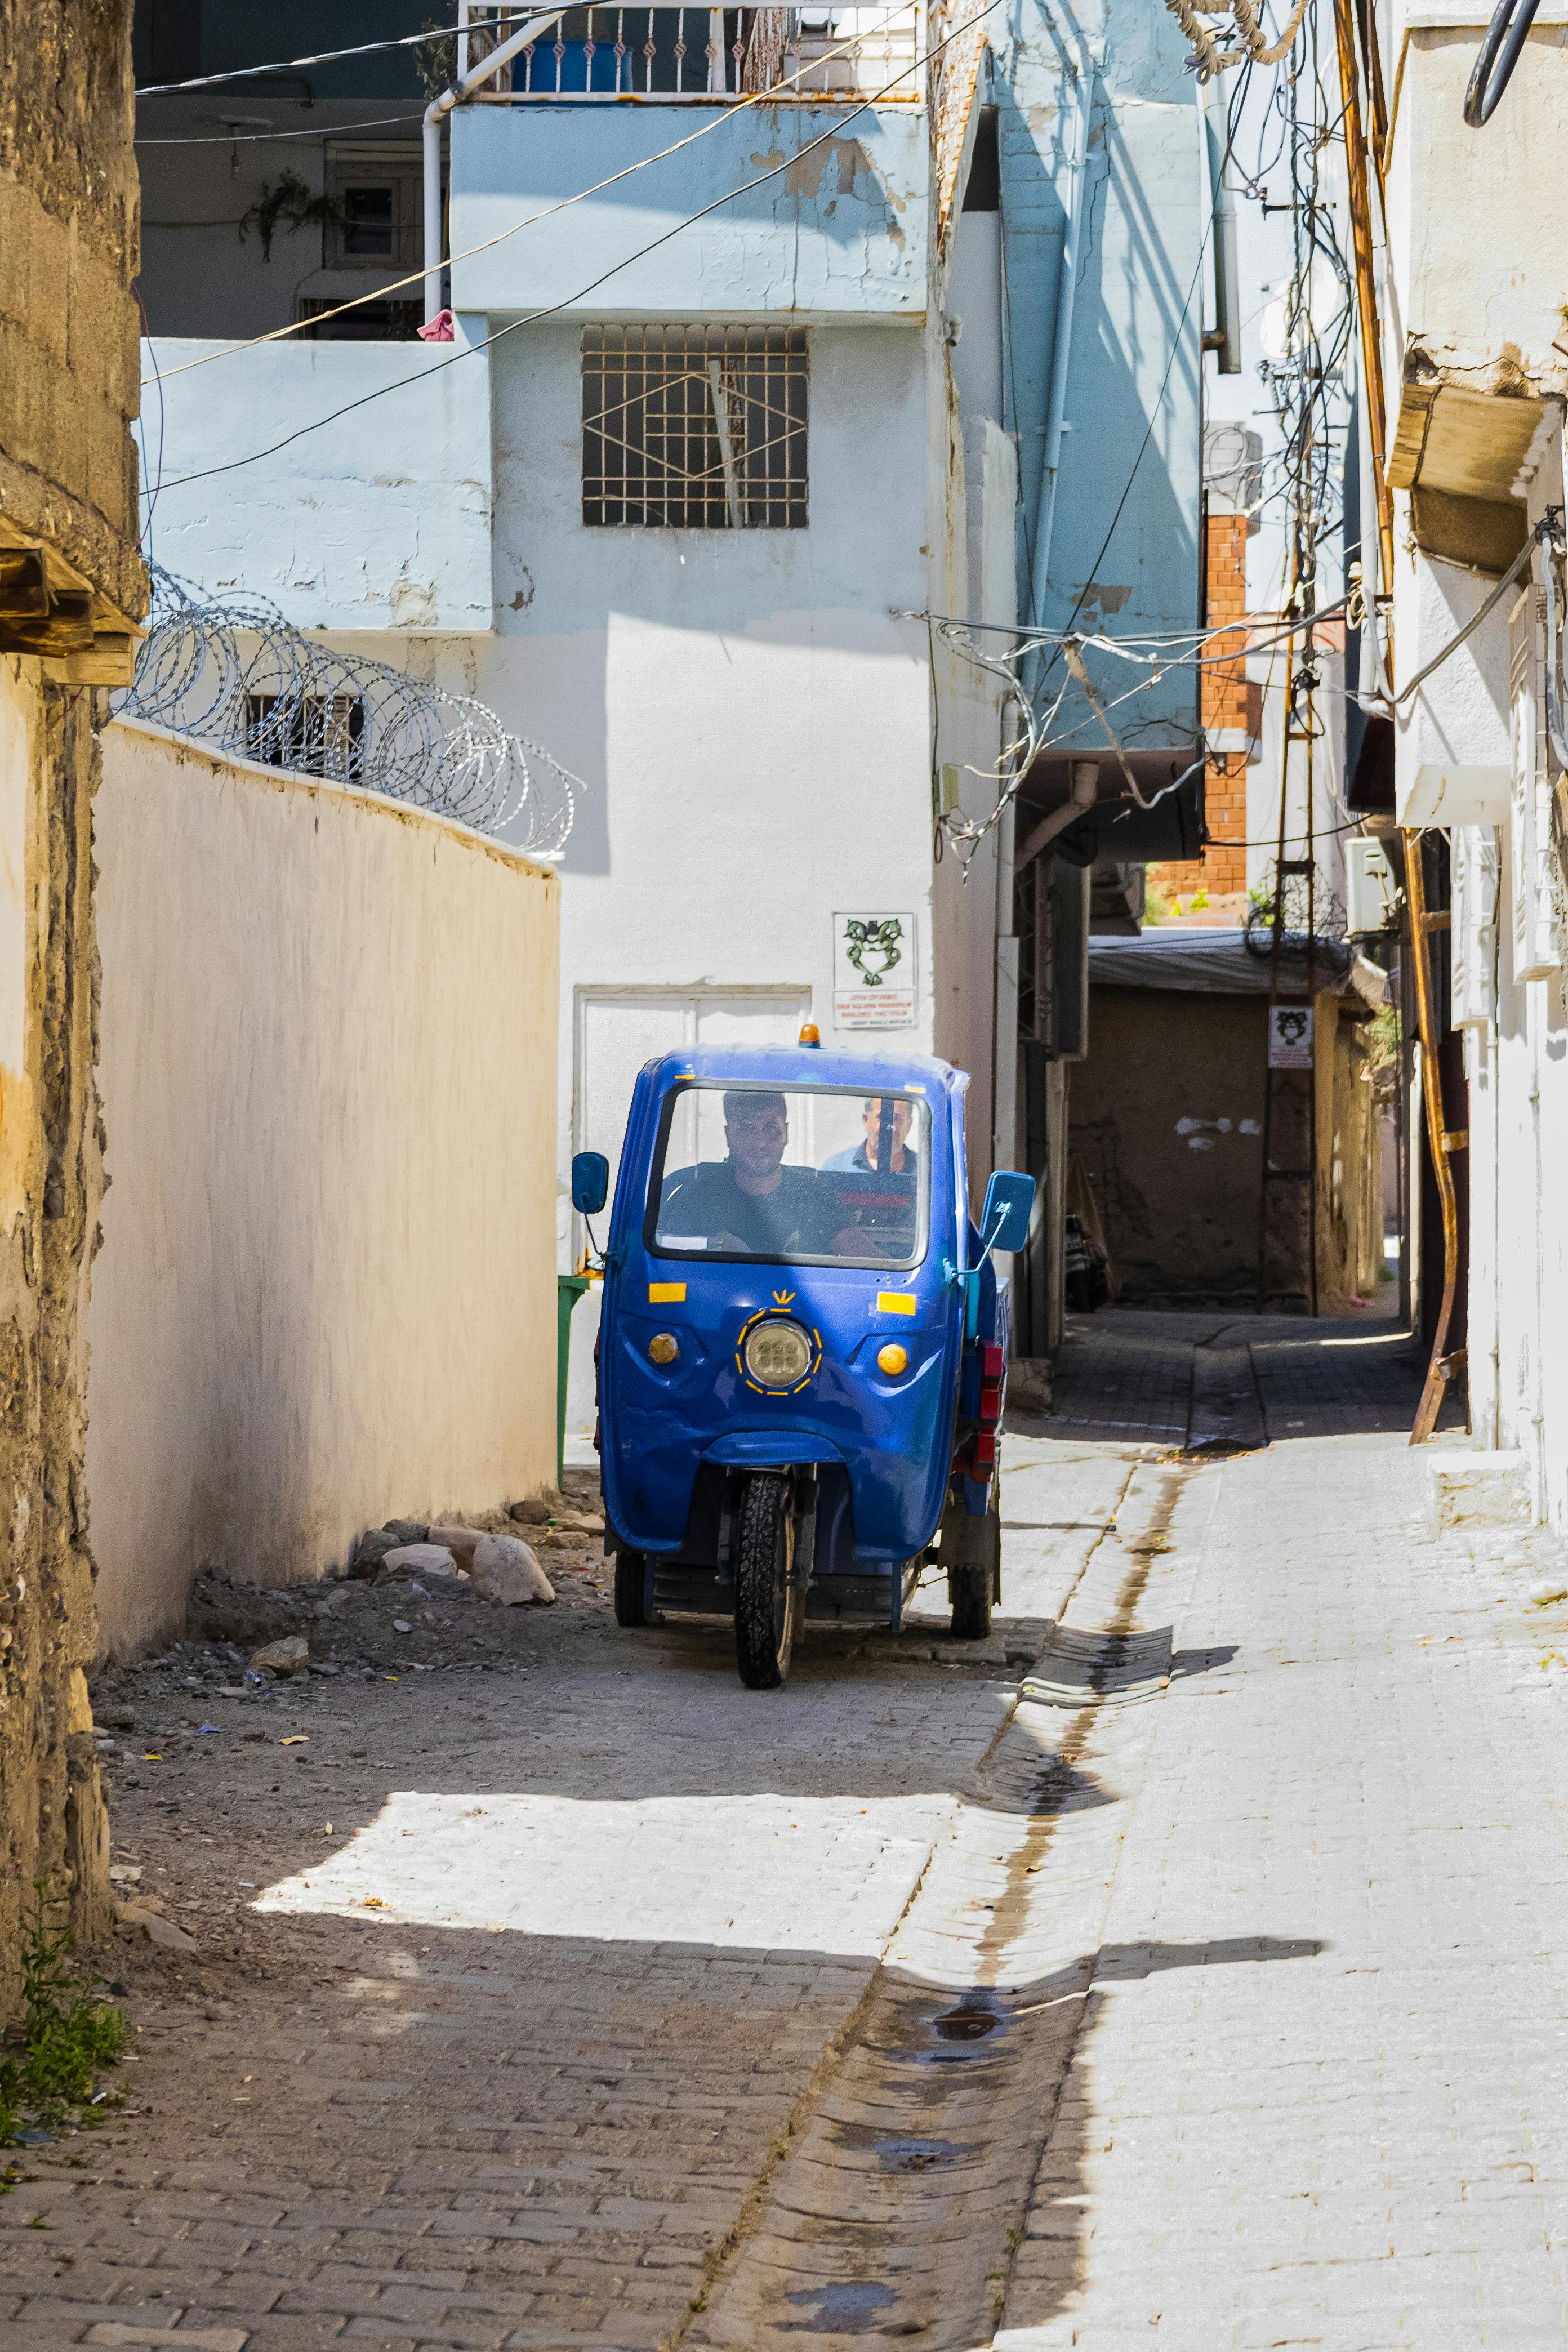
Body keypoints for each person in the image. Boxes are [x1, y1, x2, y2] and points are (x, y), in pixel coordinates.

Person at [656, 1090, 830, 1257]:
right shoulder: (696, 1197)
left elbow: (853, 1252)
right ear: (728, 1136)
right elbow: (672, 1268)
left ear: (786, 1133)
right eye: (746, 1129)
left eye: (770, 1127)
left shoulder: (815, 1193)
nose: (760, 1142)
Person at [822, 1097, 920, 1180]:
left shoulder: (926, 1170)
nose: (890, 1127)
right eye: (883, 1117)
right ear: (866, 1120)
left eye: (897, 1118)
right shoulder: (836, 1168)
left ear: (909, 1124)